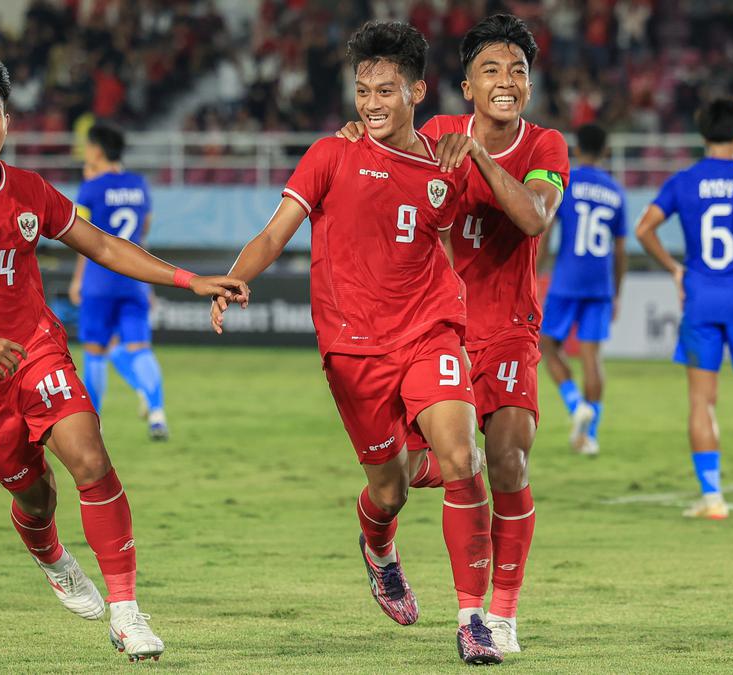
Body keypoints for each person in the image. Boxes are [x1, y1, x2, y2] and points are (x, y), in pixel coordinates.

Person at [0, 50, 250, 663]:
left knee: (90, 458)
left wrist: (188, 280)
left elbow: (99, 242)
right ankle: (50, 554)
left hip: (34, 351)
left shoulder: (29, 190)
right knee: (35, 496)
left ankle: (126, 612)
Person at [213, 21, 502, 665]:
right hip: (353, 350)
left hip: (430, 331)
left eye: (386, 90)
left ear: (417, 92)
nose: (371, 104)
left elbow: (447, 241)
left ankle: (473, 619)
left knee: (462, 457)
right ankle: (379, 544)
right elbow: (273, 233)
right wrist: (231, 280)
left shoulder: (443, 168)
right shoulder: (330, 155)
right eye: (363, 90)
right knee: (390, 490)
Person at [337, 13, 569, 654]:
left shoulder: (546, 146)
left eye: (517, 71)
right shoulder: (432, 132)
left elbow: (533, 219)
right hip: (434, 331)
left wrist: (483, 162)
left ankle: (497, 616)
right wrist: (362, 132)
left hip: (510, 331)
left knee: (508, 464)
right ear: (466, 86)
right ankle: (377, 539)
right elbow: (375, 158)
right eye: (490, 70)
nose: (505, 81)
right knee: (401, 476)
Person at [635, 97, 733, 521]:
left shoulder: (683, 181)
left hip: (699, 299)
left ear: (704, 136)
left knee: (701, 401)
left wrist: (674, 269)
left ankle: (712, 499)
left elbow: (644, 228)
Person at [69, 122, 169, 440]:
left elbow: (82, 239)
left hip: (99, 281)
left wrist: (77, 281)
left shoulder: (91, 188)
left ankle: (93, 423)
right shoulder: (140, 185)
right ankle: (157, 414)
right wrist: (148, 282)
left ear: (97, 150)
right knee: (139, 347)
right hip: (134, 279)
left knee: (95, 351)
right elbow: (144, 233)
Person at [539, 123, 628, 456]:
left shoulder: (568, 182)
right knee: (592, 357)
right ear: (605, 152)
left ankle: (576, 405)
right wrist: (617, 292)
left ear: (576, 150)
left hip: (567, 279)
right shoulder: (617, 192)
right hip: (600, 283)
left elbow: (546, 230)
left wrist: (534, 270)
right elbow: (620, 251)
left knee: (547, 345)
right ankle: (588, 436)